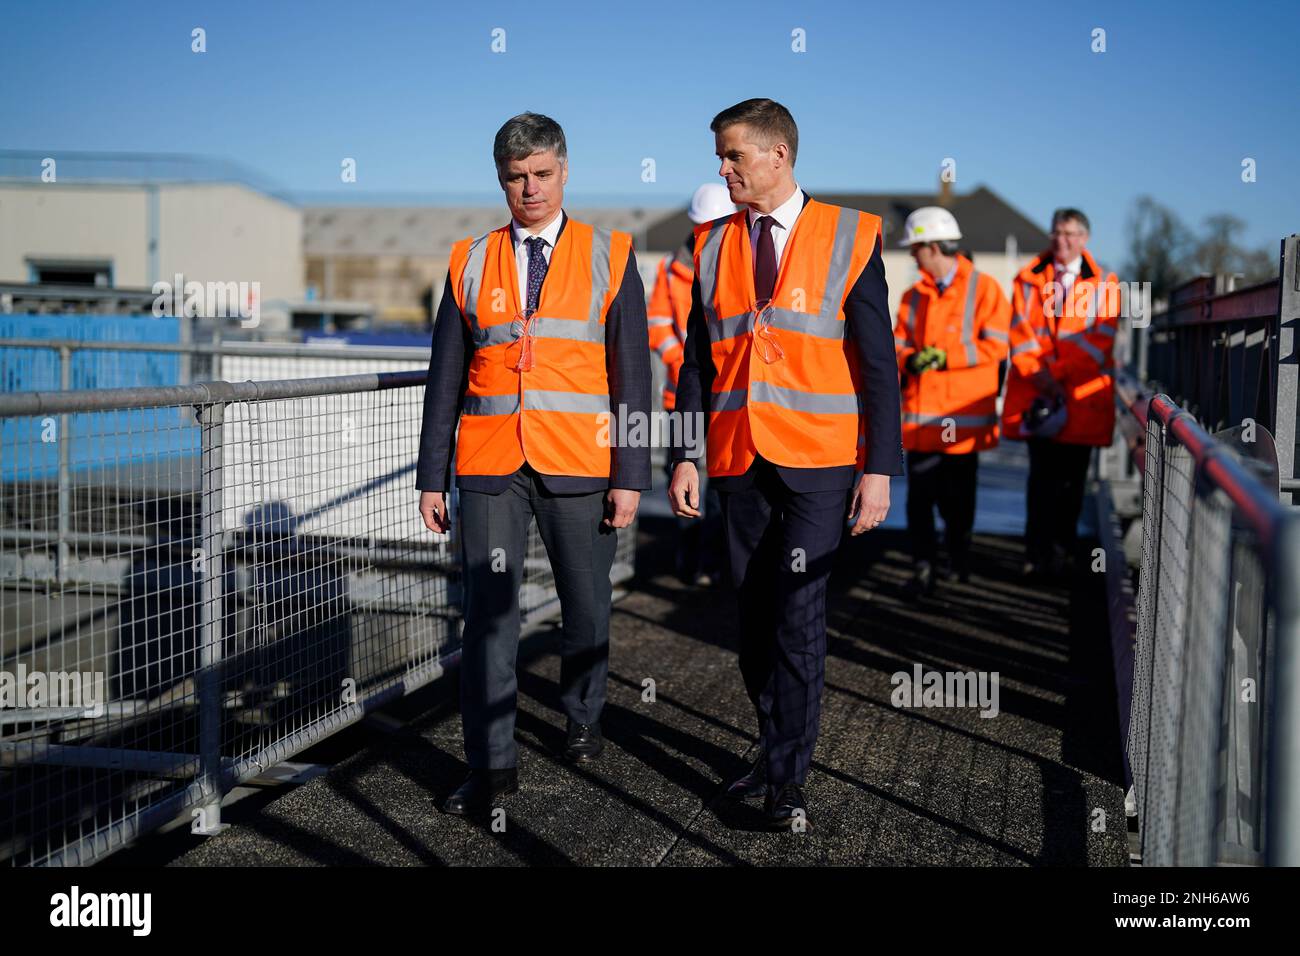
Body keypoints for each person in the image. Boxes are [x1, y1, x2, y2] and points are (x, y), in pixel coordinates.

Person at [669, 98, 903, 830]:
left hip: (821, 463)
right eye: (720, 155)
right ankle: (774, 747)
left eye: (733, 154)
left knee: (799, 614)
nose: (723, 166)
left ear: (778, 154)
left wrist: (880, 468)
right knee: (750, 615)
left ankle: (787, 782)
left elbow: (877, 364)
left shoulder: (850, 237)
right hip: (740, 459)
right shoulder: (709, 248)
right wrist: (684, 451)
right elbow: (697, 367)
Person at [415, 112, 651, 814]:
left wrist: (630, 476)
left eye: (542, 174)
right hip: (490, 468)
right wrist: (433, 475)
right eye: (516, 177)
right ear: (500, 179)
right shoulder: (469, 259)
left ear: (565, 171)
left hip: (582, 465)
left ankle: (583, 716)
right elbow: (445, 377)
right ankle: (491, 767)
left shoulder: (611, 254)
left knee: (586, 604)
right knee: (490, 617)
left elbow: (634, 377)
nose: (530, 188)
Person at [894, 207, 1011, 596]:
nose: (912, 256)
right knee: (920, 500)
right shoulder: (913, 296)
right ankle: (924, 567)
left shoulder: (985, 289)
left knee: (958, 501)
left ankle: (958, 560)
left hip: (962, 422)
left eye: (916, 249)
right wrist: (909, 358)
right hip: (923, 418)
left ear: (933, 246)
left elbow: (996, 347)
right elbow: (898, 343)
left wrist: (948, 358)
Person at [1000, 207, 1119, 579]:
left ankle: (1064, 556)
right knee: (1040, 482)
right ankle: (1036, 555)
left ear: (1084, 239)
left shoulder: (1105, 285)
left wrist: (1057, 373)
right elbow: (1019, 334)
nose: (1061, 241)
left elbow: (1101, 341)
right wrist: (1041, 375)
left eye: (1069, 234)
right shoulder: (1027, 279)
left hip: (1079, 400)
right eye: (1056, 233)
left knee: (1072, 486)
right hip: (1041, 399)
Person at [647, 183, 735, 585]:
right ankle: (688, 555)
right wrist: (686, 362)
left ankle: (713, 559)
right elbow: (657, 324)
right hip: (681, 395)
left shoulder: (738, 261)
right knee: (681, 472)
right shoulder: (671, 268)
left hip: (728, 395)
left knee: (721, 477)